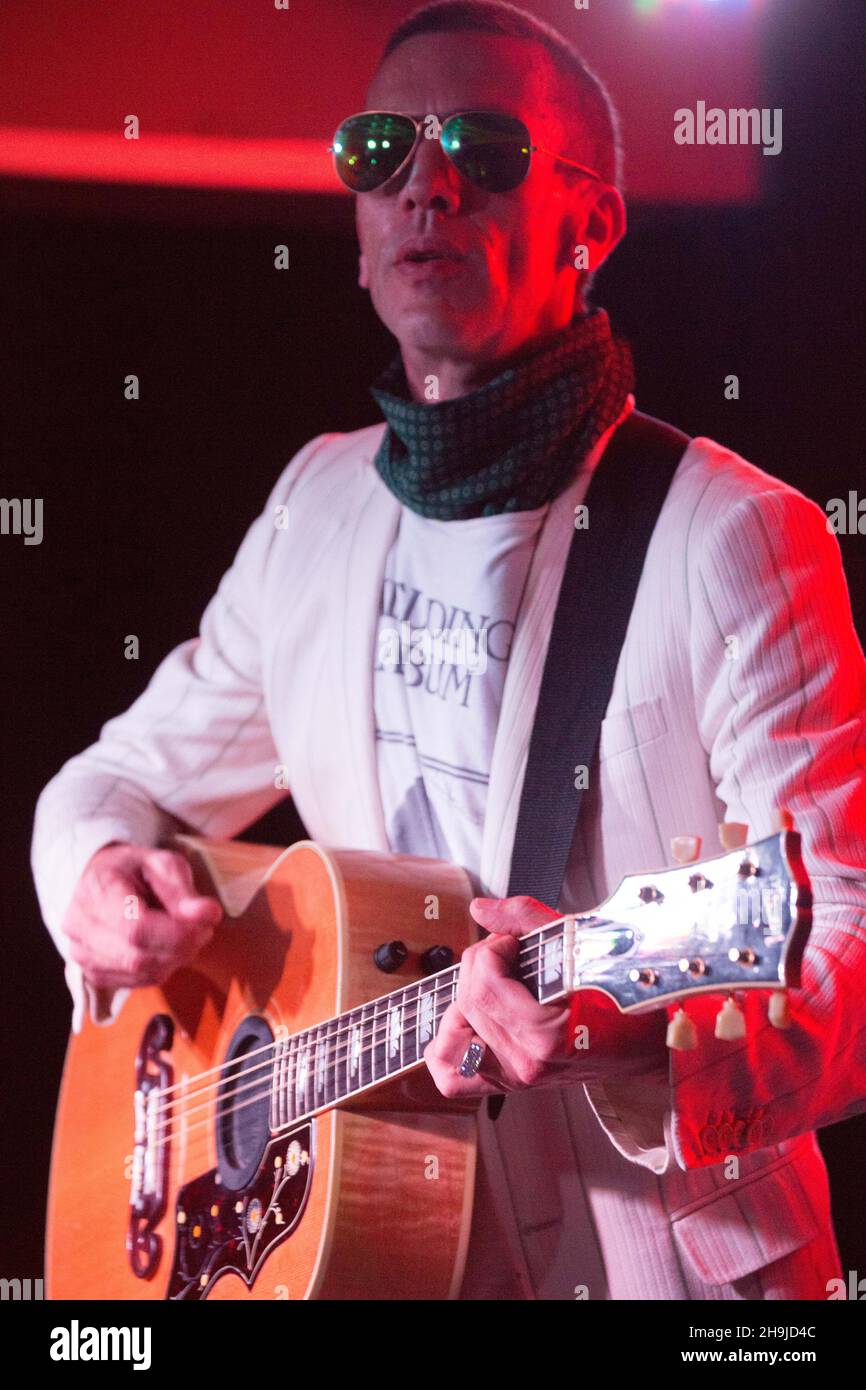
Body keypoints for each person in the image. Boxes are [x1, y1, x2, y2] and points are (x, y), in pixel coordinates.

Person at [32, 0, 866, 1300]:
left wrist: (628, 1035)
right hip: (371, 1256)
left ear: (590, 221)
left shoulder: (731, 535)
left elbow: (844, 947)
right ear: (359, 230)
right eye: (380, 150)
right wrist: (89, 874)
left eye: (481, 145)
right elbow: (112, 780)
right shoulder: (319, 502)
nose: (425, 183)